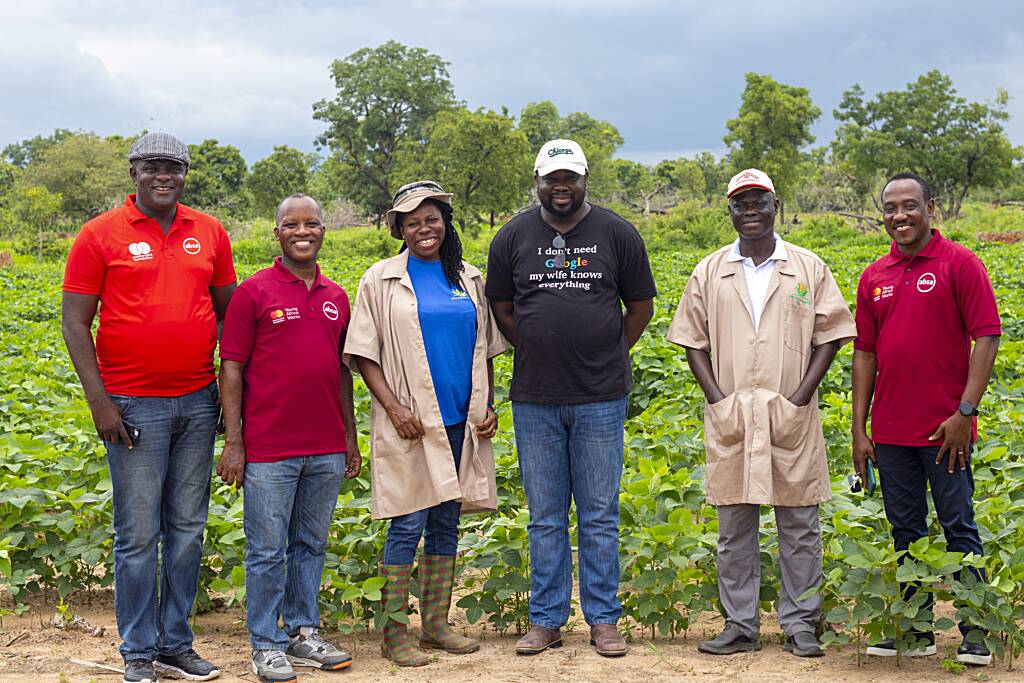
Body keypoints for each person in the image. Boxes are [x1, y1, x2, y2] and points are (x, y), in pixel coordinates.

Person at [61, 132, 235, 683]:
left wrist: (231, 400)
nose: (163, 176)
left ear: (185, 174)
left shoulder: (207, 231)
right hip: (132, 405)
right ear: (134, 172)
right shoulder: (99, 235)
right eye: (152, 167)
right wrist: (101, 404)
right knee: (138, 534)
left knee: (187, 528)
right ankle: (138, 652)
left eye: (174, 168)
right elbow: (74, 323)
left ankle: (175, 643)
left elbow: (229, 318)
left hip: (198, 401)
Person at [667, 168, 856, 658]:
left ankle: (800, 623)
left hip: (790, 413)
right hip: (733, 413)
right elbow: (692, 341)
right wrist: (718, 399)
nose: (750, 211)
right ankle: (740, 624)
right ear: (728, 211)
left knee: (799, 523)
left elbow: (831, 336)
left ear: (777, 206)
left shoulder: (807, 267)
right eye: (740, 204)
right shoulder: (710, 270)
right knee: (734, 527)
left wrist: (798, 398)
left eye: (759, 202)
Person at [486, 139, 656, 657]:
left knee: (600, 511)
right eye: (551, 179)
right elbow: (503, 308)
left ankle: (603, 619)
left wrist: (606, 351)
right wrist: (538, 348)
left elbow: (641, 307)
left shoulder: (617, 232)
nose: (560, 187)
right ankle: (547, 618)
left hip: (601, 397)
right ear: (536, 181)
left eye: (570, 178)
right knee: (545, 513)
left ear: (585, 180)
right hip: (535, 397)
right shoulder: (512, 236)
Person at [343, 181, 506, 667]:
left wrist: (488, 404)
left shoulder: (468, 278)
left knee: (445, 521)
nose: (423, 229)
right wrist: (394, 408)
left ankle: (436, 624)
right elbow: (363, 353)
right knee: (407, 519)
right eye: (412, 222)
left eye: (431, 219)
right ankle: (395, 633)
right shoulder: (381, 278)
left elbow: (486, 350)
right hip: (410, 421)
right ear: (399, 228)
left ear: (444, 223)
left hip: (460, 419)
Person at [852, 173, 1000, 666]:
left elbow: (987, 337)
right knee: (905, 530)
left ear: (930, 207)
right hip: (891, 432)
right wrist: (860, 428)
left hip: (947, 431)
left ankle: (976, 630)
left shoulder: (960, 263)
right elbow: (865, 355)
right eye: (891, 208)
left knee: (959, 525)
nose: (900, 216)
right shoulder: (875, 276)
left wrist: (964, 412)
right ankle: (917, 631)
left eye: (910, 206)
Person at [217, 194, 361, 683]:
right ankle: (265, 643)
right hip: (269, 448)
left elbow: (342, 372)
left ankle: (303, 633)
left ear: (324, 231)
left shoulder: (336, 297)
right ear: (276, 233)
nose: (303, 231)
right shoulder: (253, 293)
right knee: (265, 549)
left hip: (324, 445)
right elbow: (231, 369)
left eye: (313, 223)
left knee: (311, 545)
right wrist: (234, 443)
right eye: (292, 224)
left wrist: (350, 438)